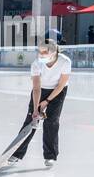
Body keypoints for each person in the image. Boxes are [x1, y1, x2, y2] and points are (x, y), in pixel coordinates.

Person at [8, 39, 71, 169]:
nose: (41, 54)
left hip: (58, 91)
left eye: (45, 51)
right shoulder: (36, 63)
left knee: (51, 121)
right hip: (40, 90)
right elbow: (36, 88)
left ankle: (50, 156)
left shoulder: (65, 62)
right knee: (31, 119)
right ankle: (17, 154)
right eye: (39, 51)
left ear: (53, 52)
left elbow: (61, 85)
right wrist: (36, 109)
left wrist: (47, 101)